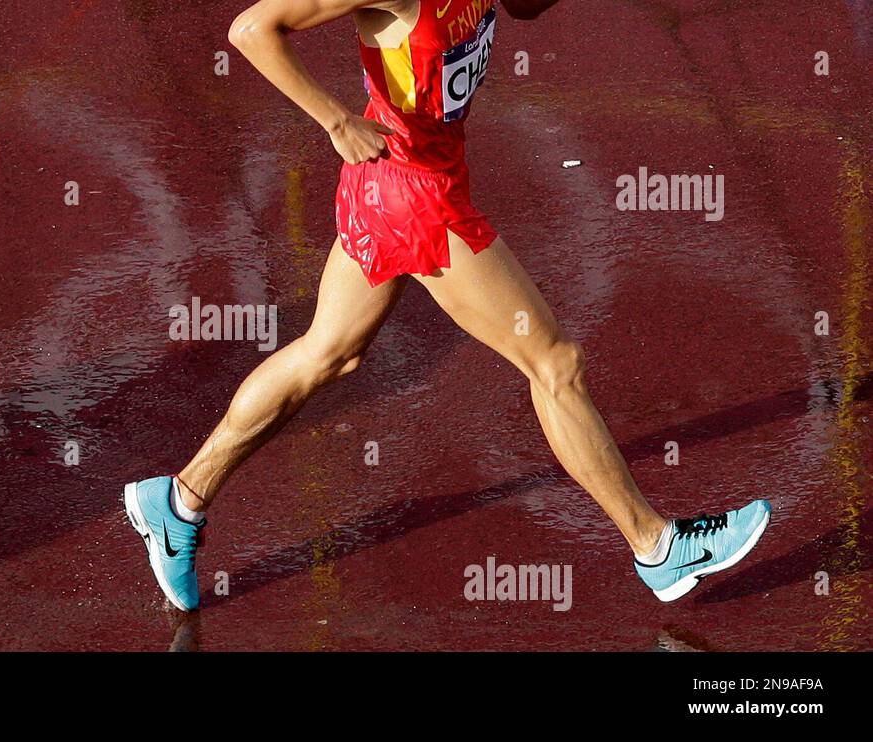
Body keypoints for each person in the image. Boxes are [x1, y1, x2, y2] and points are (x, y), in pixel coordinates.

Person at [123, 0, 770, 611]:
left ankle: (178, 502)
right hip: (413, 198)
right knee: (554, 362)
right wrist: (335, 119)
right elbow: (251, 30)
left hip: (396, 189)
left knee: (328, 353)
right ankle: (658, 548)